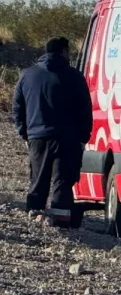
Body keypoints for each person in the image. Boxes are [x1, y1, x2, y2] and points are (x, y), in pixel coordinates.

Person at [12, 36, 92, 227]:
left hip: (37, 137)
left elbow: (17, 108)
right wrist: (83, 137)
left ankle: (35, 214)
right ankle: (60, 219)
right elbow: (85, 109)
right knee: (62, 180)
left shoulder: (27, 75)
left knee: (38, 178)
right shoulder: (74, 76)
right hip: (68, 139)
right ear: (64, 51)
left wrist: (25, 133)